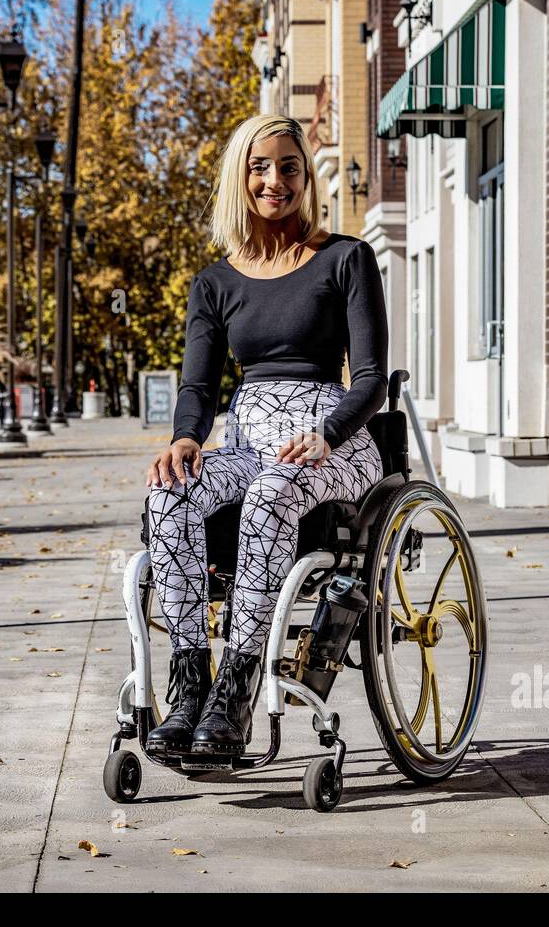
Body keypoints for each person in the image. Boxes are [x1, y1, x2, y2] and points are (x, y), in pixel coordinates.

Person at [143, 114, 389, 758]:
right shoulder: (215, 283)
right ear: (239, 177)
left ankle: (237, 688)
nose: (273, 180)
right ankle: (189, 687)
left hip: (334, 443)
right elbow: (197, 387)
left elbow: (372, 379)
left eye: (288, 166)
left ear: (306, 177)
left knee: (274, 489)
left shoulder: (346, 258)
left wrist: (328, 433)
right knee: (173, 492)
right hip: (250, 443)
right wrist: (186, 439)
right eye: (259, 167)